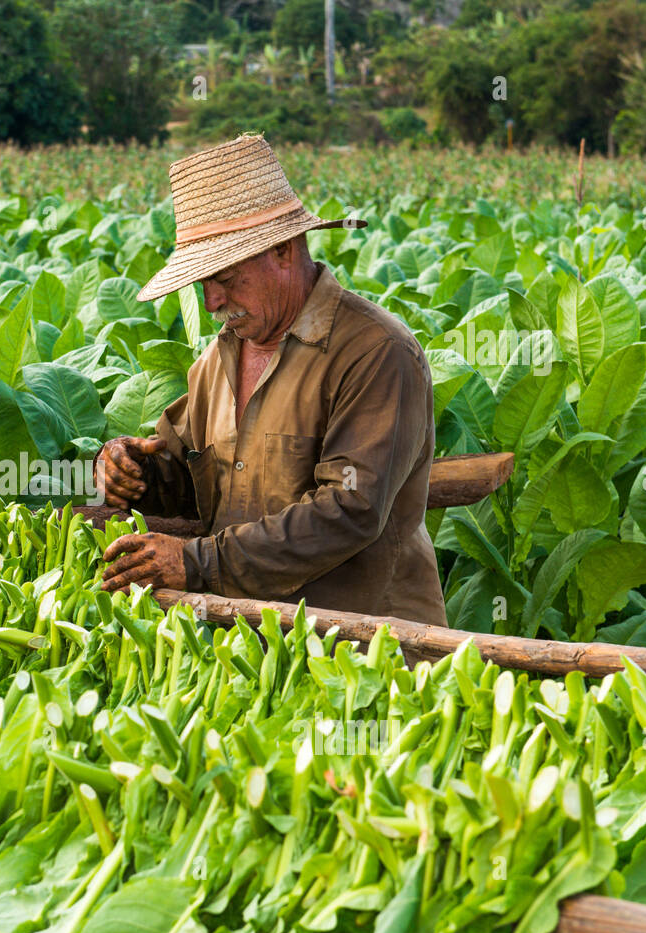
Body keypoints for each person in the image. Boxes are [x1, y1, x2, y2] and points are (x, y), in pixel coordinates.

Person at [96, 134, 446, 625]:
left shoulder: (377, 352)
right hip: (254, 651)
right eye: (203, 283)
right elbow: (181, 473)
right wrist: (128, 471)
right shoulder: (217, 363)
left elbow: (350, 510)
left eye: (227, 277)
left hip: (369, 653)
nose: (212, 301)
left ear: (282, 250)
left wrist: (196, 562)